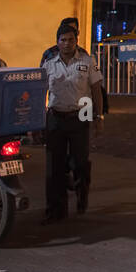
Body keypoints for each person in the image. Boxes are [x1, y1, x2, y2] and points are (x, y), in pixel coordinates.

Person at [42, 24, 104, 223]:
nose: (67, 43)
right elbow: (41, 92)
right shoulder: (49, 63)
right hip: (55, 117)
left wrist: (98, 117)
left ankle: (81, 192)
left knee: (80, 162)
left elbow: (95, 90)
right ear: (57, 41)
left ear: (76, 41)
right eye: (63, 40)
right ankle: (55, 209)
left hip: (81, 115)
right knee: (54, 167)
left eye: (70, 39)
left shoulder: (88, 61)